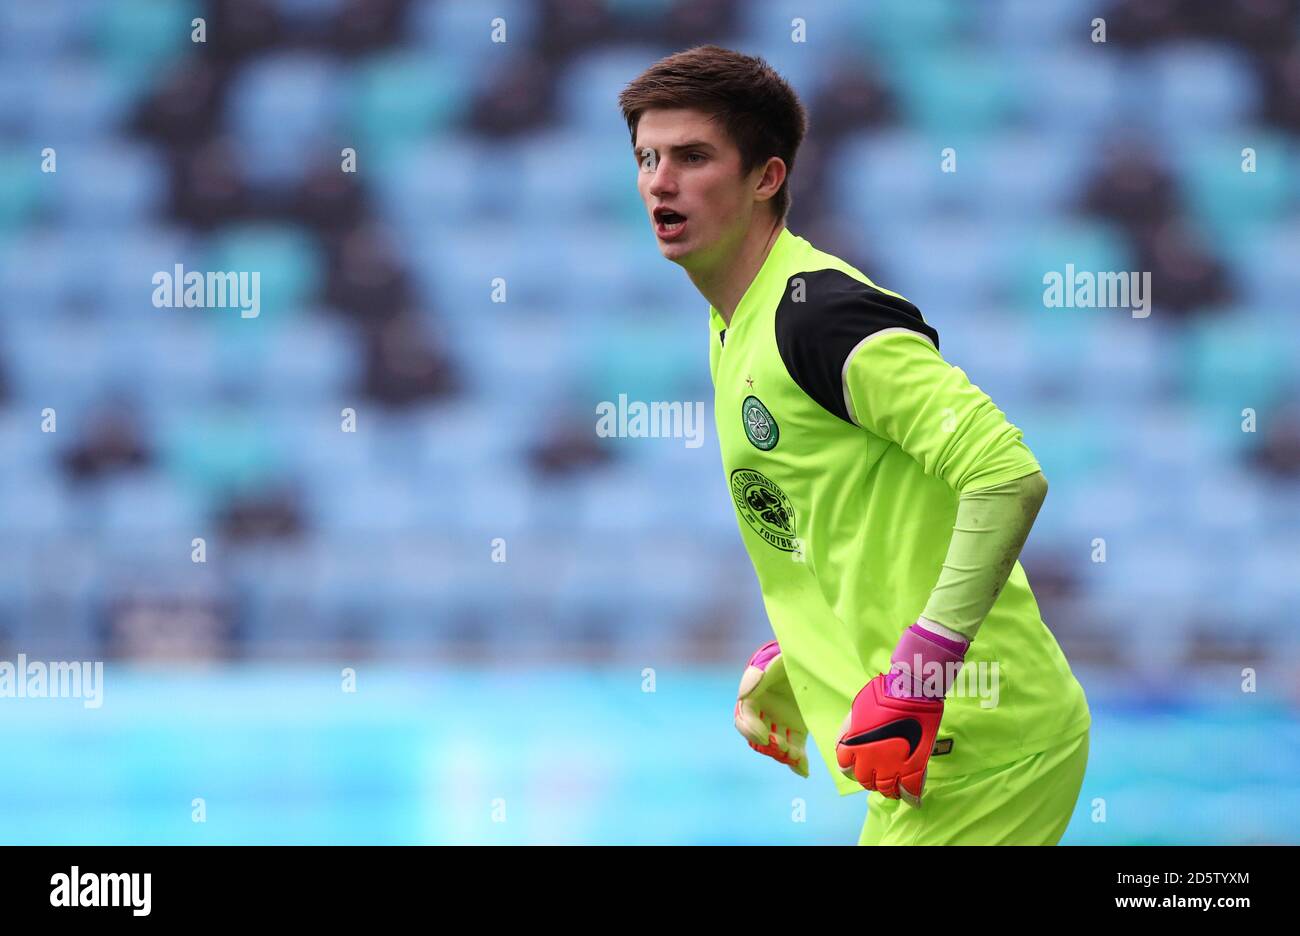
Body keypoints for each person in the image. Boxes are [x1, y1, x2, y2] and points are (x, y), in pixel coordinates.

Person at [619, 45, 1091, 845]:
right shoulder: (735, 316)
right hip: (923, 752)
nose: (661, 181)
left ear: (767, 177)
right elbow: (850, 520)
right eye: (647, 158)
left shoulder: (820, 316)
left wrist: (923, 670)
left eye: (692, 156)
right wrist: (804, 654)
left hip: (981, 747)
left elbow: (1006, 475)